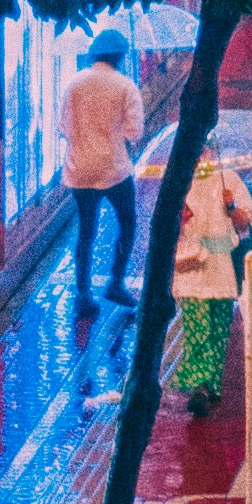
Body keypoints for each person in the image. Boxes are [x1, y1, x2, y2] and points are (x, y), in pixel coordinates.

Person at [167, 122, 252, 412]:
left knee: (218, 330)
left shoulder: (228, 180)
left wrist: (231, 207)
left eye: (204, 150)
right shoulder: (178, 181)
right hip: (190, 268)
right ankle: (201, 387)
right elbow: (164, 226)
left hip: (221, 268)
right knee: (198, 329)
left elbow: (245, 223)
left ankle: (210, 385)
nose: (200, 157)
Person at [64, 31, 146, 308]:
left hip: (80, 169)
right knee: (127, 222)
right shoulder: (125, 86)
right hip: (115, 169)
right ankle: (115, 282)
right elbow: (134, 132)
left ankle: (83, 294)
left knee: (86, 231)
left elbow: (64, 127)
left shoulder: (74, 83)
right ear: (119, 57)